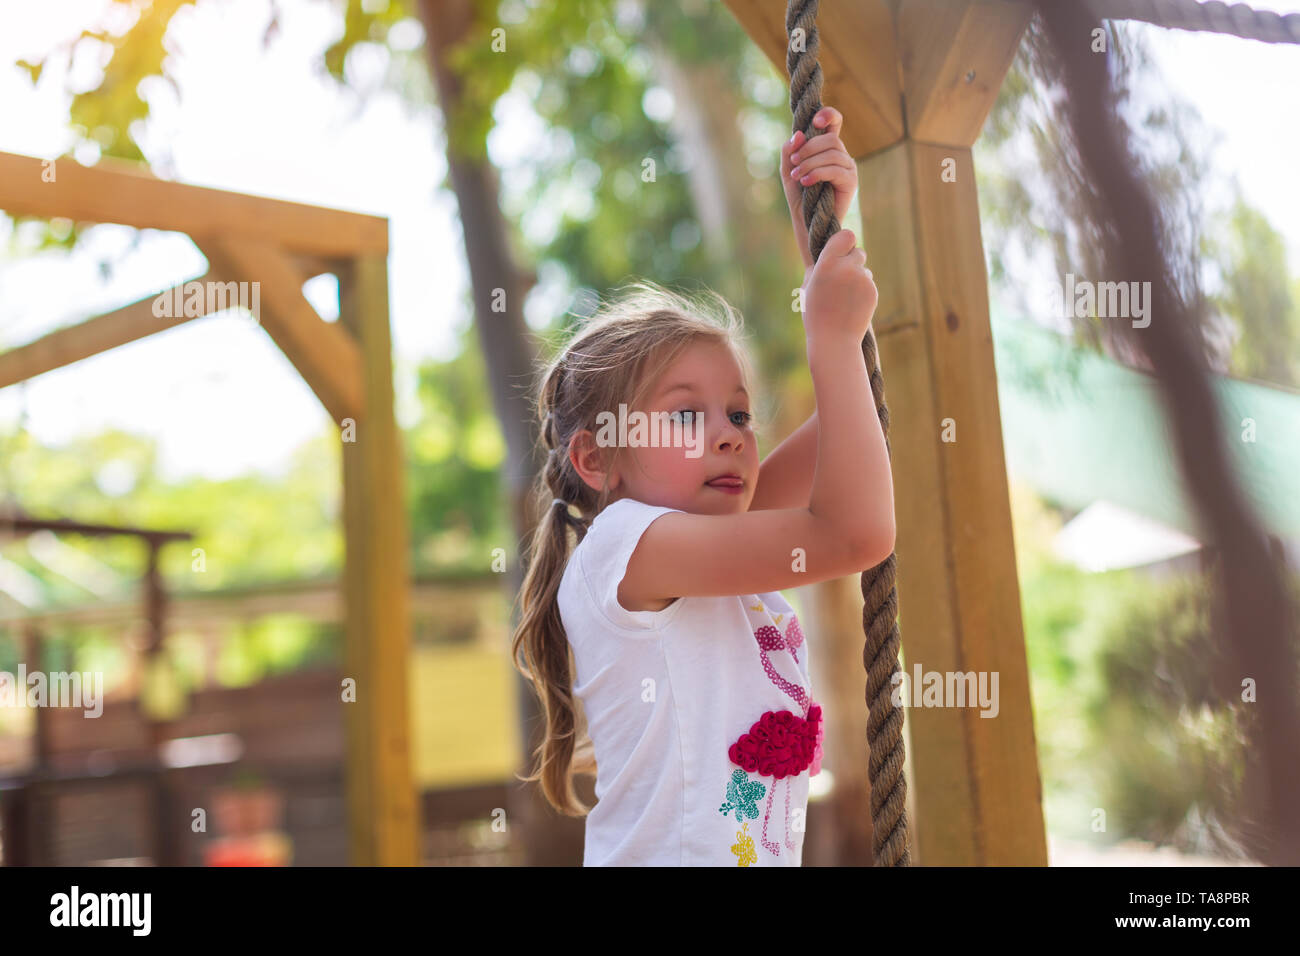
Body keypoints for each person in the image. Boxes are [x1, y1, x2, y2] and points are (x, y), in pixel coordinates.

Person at [511, 107, 893, 866]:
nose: (728, 434)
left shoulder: (707, 540)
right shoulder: (628, 547)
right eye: (686, 415)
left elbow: (867, 419)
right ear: (597, 459)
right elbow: (853, 533)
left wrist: (820, 243)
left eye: (740, 414)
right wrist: (828, 333)